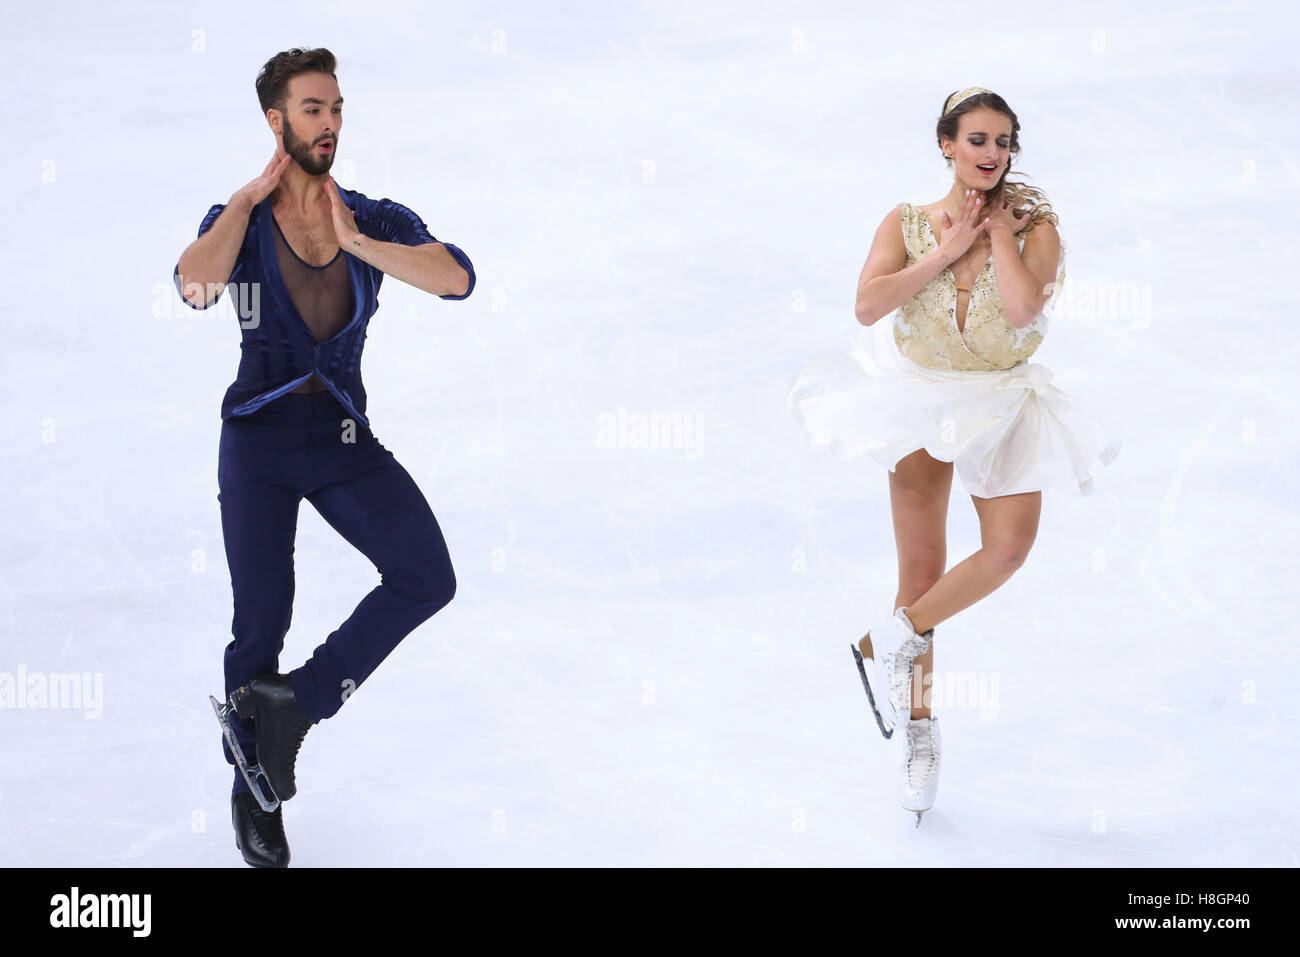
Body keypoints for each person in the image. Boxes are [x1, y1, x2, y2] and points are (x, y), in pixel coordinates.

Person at [173, 48, 475, 866]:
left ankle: (295, 708)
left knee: (426, 573)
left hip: (341, 439)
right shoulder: (239, 222)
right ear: (277, 121)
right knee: (260, 621)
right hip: (260, 444)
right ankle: (257, 789)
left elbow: (457, 279)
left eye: (336, 107)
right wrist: (243, 200)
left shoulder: (371, 214)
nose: (331, 122)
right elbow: (194, 287)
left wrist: (360, 245)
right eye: (312, 109)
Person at [787, 87, 1120, 826]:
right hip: (918, 399)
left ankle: (888, 641)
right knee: (922, 573)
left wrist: (997, 235)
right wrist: (942, 250)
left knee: (1006, 551)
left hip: (1002, 402)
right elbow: (869, 306)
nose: (991, 152)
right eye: (977, 139)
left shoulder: (1037, 228)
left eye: (1003, 141)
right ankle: (920, 733)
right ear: (947, 144)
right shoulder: (906, 223)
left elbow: (1026, 308)